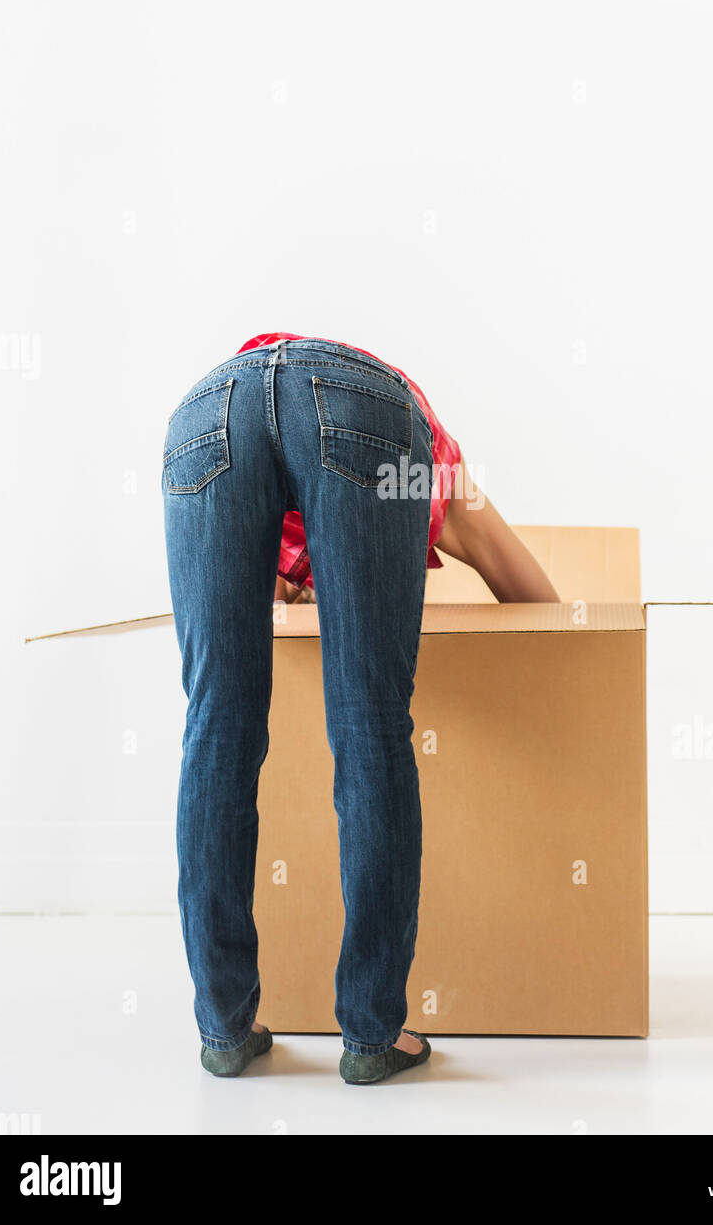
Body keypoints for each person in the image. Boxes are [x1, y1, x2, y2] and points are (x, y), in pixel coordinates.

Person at [162, 332, 559, 1086]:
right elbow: (529, 590)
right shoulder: (432, 470)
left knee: (216, 726)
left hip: (207, 414)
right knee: (370, 722)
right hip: (361, 406)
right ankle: (373, 1035)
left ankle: (224, 1028)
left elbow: (260, 606)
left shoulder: (284, 547)